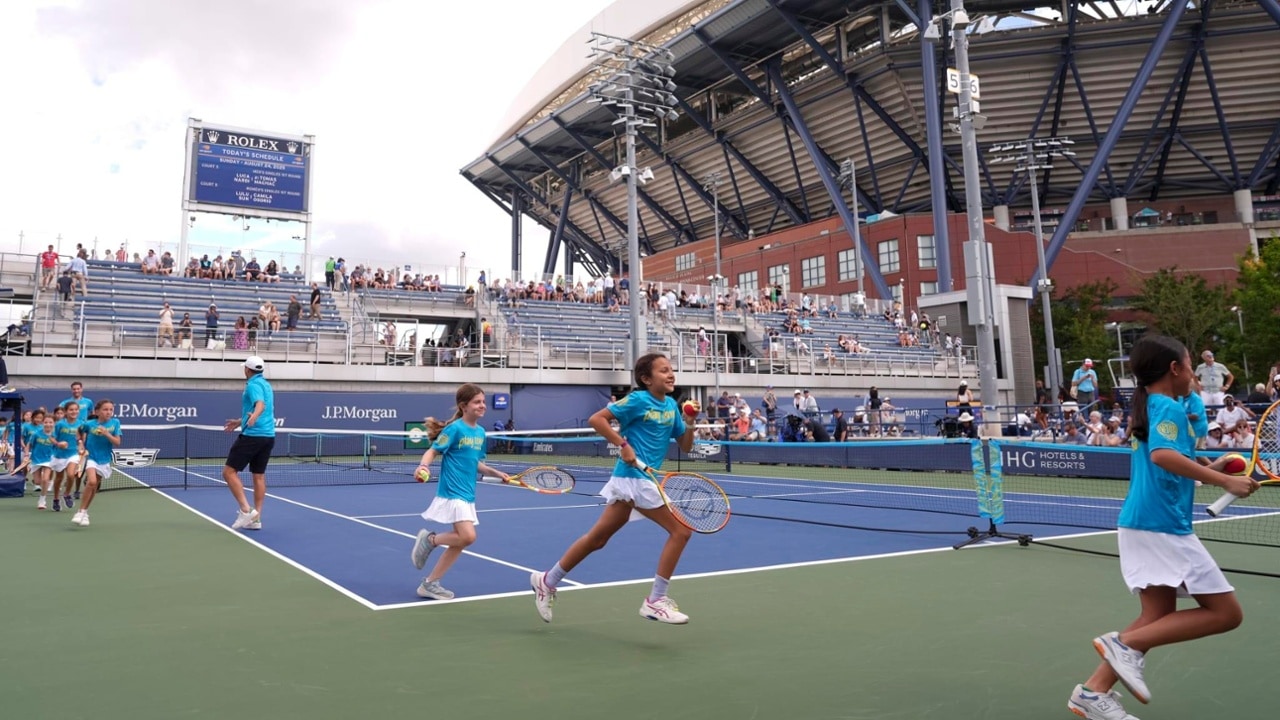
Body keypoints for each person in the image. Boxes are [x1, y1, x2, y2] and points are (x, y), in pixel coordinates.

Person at [1068, 335, 1257, 720]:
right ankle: (1125, 644)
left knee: (1157, 615)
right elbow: (1162, 455)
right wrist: (1225, 483)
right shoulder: (1168, 407)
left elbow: (1174, 459)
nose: (1193, 374)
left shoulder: (1154, 406)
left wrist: (1211, 469)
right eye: (1189, 365)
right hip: (1161, 526)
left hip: (1142, 523)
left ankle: (1093, 693)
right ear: (1175, 369)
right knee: (1226, 614)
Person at [530, 353, 697, 625]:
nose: (670, 374)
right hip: (632, 479)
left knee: (597, 539)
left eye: (671, 370)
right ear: (646, 379)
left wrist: (690, 421)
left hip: (645, 480)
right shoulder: (637, 400)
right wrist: (623, 445)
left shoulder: (670, 407)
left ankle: (547, 580)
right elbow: (597, 419)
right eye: (663, 370)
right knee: (681, 532)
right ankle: (655, 600)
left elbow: (687, 446)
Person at [409, 384, 511, 601]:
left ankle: (430, 583)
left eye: (483, 401)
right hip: (452, 492)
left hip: (468, 494)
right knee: (468, 536)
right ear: (464, 406)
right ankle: (430, 540)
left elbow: (477, 463)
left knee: (462, 541)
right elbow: (433, 450)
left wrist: (497, 473)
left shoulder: (481, 432)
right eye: (477, 402)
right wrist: (423, 466)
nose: (482, 406)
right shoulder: (454, 429)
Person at [221, 357, 275, 530]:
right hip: (268, 436)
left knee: (229, 472)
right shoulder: (266, 385)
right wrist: (240, 421)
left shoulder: (252, 385)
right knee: (258, 476)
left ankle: (246, 510)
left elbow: (260, 405)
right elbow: (258, 406)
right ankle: (256, 518)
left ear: (247, 370)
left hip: (252, 436)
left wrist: (254, 417)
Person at [71, 400, 122, 527]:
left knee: (94, 487)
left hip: (104, 459)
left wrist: (106, 433)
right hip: (90, 456)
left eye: (111, 409)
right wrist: (81, 443)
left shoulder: (115, 423)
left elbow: (117, 442)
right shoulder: (89, 424)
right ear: (97, 411)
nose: (108, 412)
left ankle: (85, 512)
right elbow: (79, 431)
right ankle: (80, 511)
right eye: (105, 409)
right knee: (92, 482)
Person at [51, 400, 83, 512]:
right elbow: (51, 438)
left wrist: (81, 445)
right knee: (59, 478)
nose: (74, 412)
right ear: (65, 411)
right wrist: (58, 443)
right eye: (71, 410)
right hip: (59, 455)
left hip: (73, 454)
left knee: (70, 475)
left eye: (76, 409)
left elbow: (81, 438)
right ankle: (55, 499)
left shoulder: (81, 424)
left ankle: (66, 494)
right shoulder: (59, 424)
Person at [29, 415, 64, 510]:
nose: (48, 424)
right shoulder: (36, 434)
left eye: (50, 422)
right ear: (42, 423)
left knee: (45, 480)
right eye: (46, 422)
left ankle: (42, 500)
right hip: (36, 459)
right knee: (37, 482)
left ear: (54, 424)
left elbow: (58, 447)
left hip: (49, 460)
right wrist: (25, 456)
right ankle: (42, 488)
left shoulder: (56, 435)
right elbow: (29, 445)